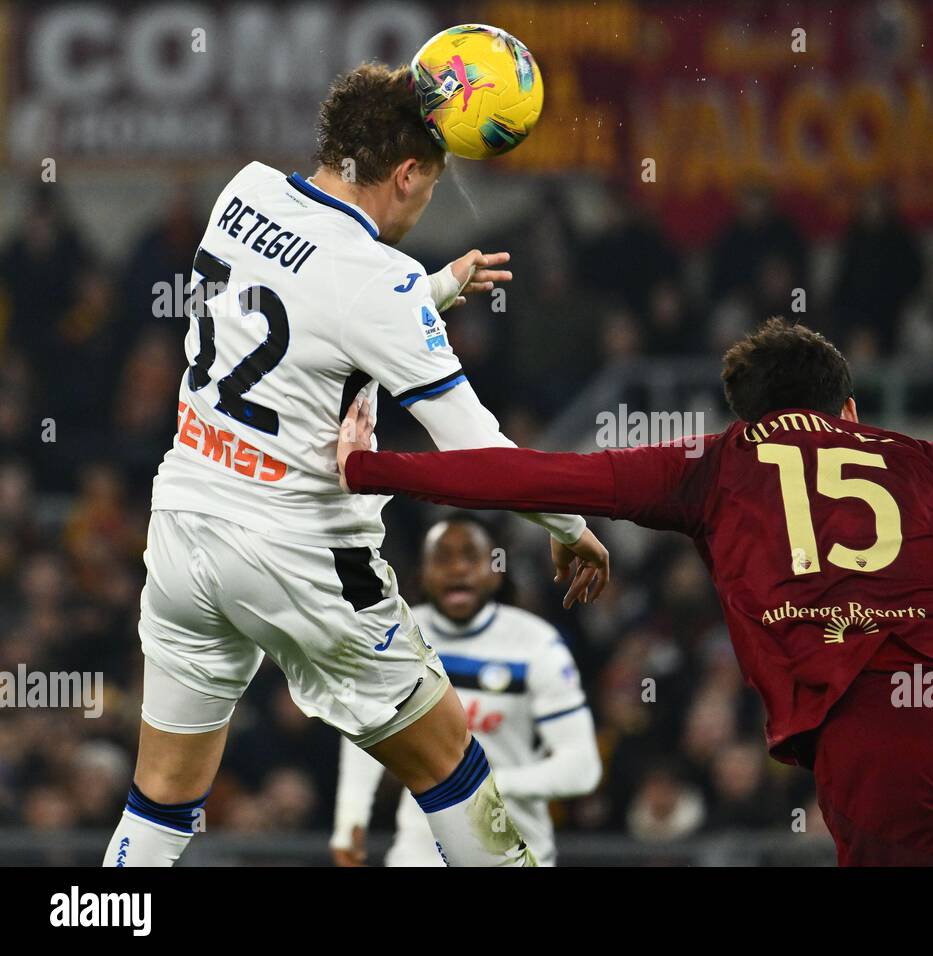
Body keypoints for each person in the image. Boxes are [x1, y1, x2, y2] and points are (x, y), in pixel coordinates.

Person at [336, 317, 933, 866]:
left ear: (745, 416)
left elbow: (536, 476)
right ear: (847, 410)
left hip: (887, 741)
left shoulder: (712, 464)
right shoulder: (929, 459)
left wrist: (374, 470)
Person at [103, 62, 610, 868]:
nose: (428, 202)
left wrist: (433, 291)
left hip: (185, 528)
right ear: (407, 174)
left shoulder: (245, 193)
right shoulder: (383, 282)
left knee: (161, 800)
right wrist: (571, 524)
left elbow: (302, 306)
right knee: (453, 765)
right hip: (298, 554)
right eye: (433, 186)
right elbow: (477, 449)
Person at [331, 516, 601, 867]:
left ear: (496, 571)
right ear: (422, 575)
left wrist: (480, 786)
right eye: (442, 558)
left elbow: (582, 768)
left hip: (514, 846)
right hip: (419, 854)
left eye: (471, 556)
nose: (458, 568)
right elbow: (367, 731)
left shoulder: (536, 644)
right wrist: (350, 817)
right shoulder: (395, 638)